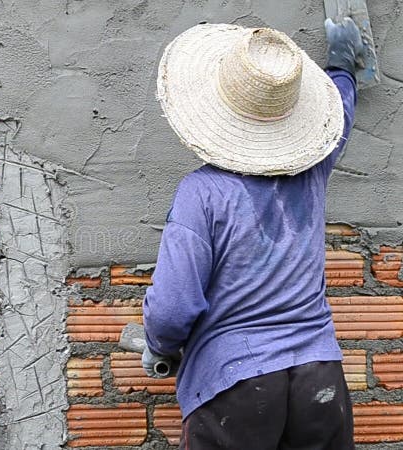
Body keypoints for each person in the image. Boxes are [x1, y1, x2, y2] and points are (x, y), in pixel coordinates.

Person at [141, 17, 365, 449]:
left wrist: (159, 344)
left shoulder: (202, 193)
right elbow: (339, 123)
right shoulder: (312, 172)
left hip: (237, 385)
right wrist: (342, 66)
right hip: (319, 379)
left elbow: (172, 308)